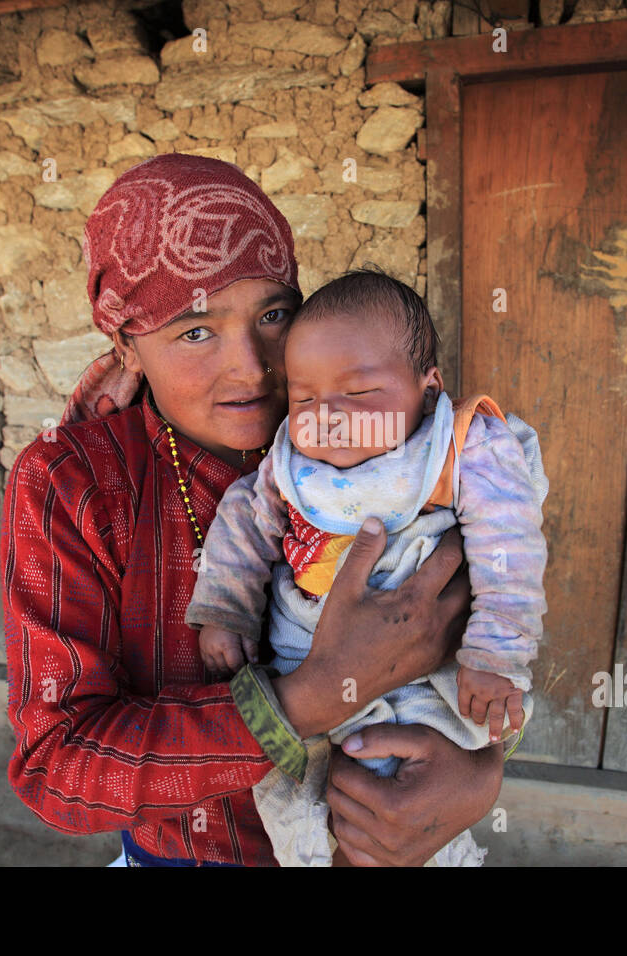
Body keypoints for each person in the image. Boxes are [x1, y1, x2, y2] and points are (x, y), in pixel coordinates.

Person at [1, 153, 509, 866]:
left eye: (273, 314)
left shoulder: (384, 443)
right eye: (195, 330)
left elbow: (498, 610)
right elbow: (57, 766)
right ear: (126, 344)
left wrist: (483, 772)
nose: (252, 367)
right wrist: (310, 698)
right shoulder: (74, 484)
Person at [187, 267, 549, 865]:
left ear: (428, 390)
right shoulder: (290, 465)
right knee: (292, 798)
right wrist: (226, 610)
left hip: (426, 680)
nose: (326, 415)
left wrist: (494, 654)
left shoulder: (461, 446)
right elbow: (244, 523)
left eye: (358, 394)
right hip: (303, 666)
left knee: (405, 818)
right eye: (304, 397)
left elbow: (510, 547)